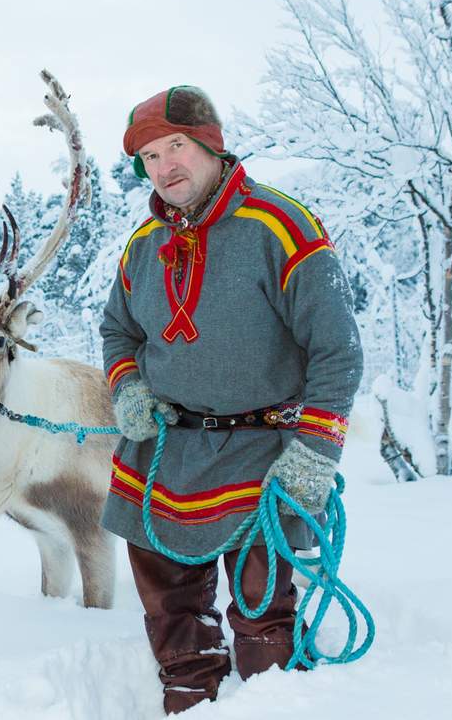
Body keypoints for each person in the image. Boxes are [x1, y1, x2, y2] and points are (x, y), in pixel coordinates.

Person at [101, 85, 363, 713]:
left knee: (262, 622)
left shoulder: (281, 226)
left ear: (211, 147)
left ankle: (272, 703)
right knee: (172, 613)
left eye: (177, 147)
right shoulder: (142, 246)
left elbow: (337, 350)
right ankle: (189, 697)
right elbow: (118, 331)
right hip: (167, 454)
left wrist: (314, 455)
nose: (166, 167)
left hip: (264, 454)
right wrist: (128, 385)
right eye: (151, 156)